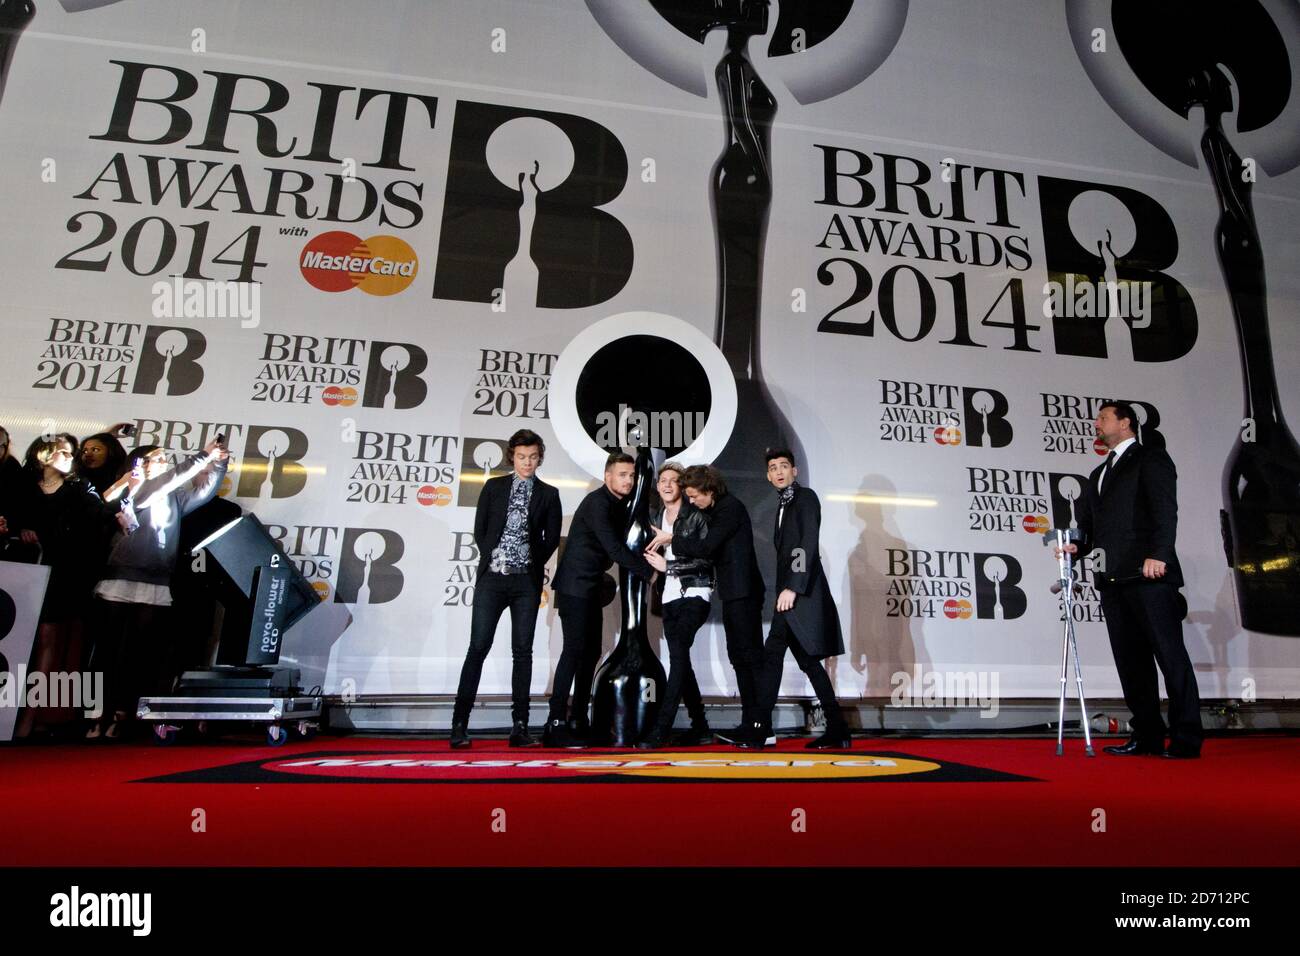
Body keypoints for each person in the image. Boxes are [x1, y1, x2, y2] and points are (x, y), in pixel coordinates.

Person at [1060, 401, 1202, 758]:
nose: (1096, 423)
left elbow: (1165, 509)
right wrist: (1074, 547)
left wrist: (1160, 553)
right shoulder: (1097, 474)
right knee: (1131, 663)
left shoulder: (1150, 458)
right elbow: (1090, 527)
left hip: (1149, 574)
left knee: (1170, 657)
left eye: (1103, 417)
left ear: (1125, 423)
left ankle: (1186, 738)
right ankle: (1147, 735)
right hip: (1112, 580)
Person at [87, 440, 229, 740]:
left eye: (166, 458)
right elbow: (168, 482)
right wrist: (203, 455)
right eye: (157, 458)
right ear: (139, 464)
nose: (164, 462)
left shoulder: (176, 497)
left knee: (139, 652)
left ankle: (125, 712)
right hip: (120, 579)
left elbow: (204, 492)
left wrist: (218, 463)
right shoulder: (134, 490)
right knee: (108, 650)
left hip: (156, 582)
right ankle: (98, 714)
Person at [726, 448, 850, 749]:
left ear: (795, 471)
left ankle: (760, 727)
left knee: (773, 657)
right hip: (791, 595)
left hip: (800, 595)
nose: (779, 471)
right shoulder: (783, 505)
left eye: (784, 466)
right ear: (768, 475)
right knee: (806, 663)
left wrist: (793, 587)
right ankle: (836, 728)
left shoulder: (805, 498)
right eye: (773, 467)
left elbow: (805, 544)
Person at [450, 428, 561, 748]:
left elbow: (551, 538)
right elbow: (480, 530)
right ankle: (459, 724)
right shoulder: (493, 487)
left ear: (540, 459)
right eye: (522, 457)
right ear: (512, 457)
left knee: (522, 652)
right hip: (492, 580)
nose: (527, 462)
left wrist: (529, 562)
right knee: (478, 647)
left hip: (525, 583)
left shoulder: (549, 494)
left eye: (533, 457)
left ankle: (520, 726)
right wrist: (496, 557)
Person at [648, 464, 766, 743]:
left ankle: (761, 726)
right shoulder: (711, 510)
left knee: (748, 658)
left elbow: (706, 549)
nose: (692, 501)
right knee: (737, 658)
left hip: (741, 592)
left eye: (694, 495)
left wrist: (672, 542)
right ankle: (744, 723)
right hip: (731, 592)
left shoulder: (728, 509)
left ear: (710, 490)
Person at [547, 452, 656, 748]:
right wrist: (651, 573)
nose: (628, 481)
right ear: (608, 476)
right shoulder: (597, 503)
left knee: (590, 653)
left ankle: (578, 719)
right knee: (573, 652)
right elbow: (616, 548)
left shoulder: (617, 505)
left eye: (632, 476)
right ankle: (555, 723)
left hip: (591, 589)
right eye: (622, 475)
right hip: (574, 588)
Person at [11, 435, 115, 739]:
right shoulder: (21, 482)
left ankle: (33, 718)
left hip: (62, 575)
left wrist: (122, 488)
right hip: (20, 571)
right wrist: (18, 527)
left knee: (49, 644)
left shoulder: (79, 488)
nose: (66, 456)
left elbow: (100, 511)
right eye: (59, 451)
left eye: (70, 453)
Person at [639, 461, 713, 749]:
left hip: (695, 592)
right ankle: (701, 726)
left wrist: (669, 564)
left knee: (679, 659)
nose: (667, 484)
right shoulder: (657, 516)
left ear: (682, 486)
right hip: (668, 597)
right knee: (681, 661)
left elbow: (706, 558)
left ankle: (661, 729)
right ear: (657, 486)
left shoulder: (696, 516)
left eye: (673, 480)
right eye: (663, 480)